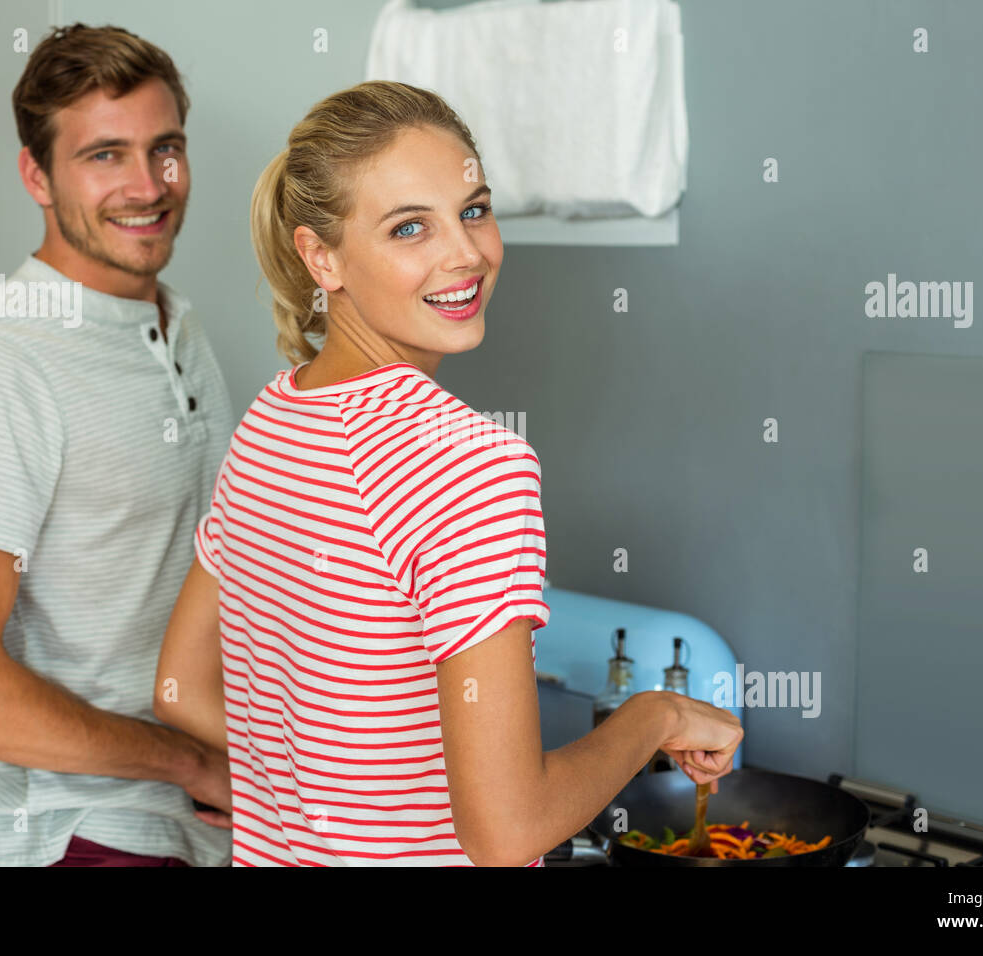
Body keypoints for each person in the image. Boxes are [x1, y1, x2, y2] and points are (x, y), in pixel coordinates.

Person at [154, 80, 743, 867]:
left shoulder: (274, 419)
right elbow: (506, 832)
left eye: (472, 209)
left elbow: (181, 689)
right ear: (319, 256)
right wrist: (657, 717)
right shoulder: (470, 465)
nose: (465, 253)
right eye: (408, 228)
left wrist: (329, 772)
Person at [0, 23, 234, 867]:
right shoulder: (1, 365)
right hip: (87, 839)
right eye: (104, 156)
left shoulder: (178, 321)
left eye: (165, 148)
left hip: (207, 832)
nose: (146, 184)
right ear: (37, 175)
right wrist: (194, 762)